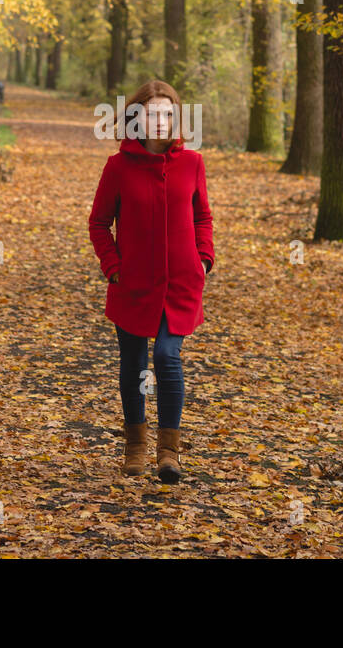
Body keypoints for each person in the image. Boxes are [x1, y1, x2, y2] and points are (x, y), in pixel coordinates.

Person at [88, 79, 214, 483]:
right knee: (134, 362)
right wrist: (113, 266)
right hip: (132, 283)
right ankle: (135, 447)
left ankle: (169, 453)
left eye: (166, 114)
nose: (159, 121)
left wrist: (205, 257)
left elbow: (201, 217)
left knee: (166, 355)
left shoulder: (193, 163)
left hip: (181, 282)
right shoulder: (118, 166)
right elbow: (98, 223)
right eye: (151, 113)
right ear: (136, 118)